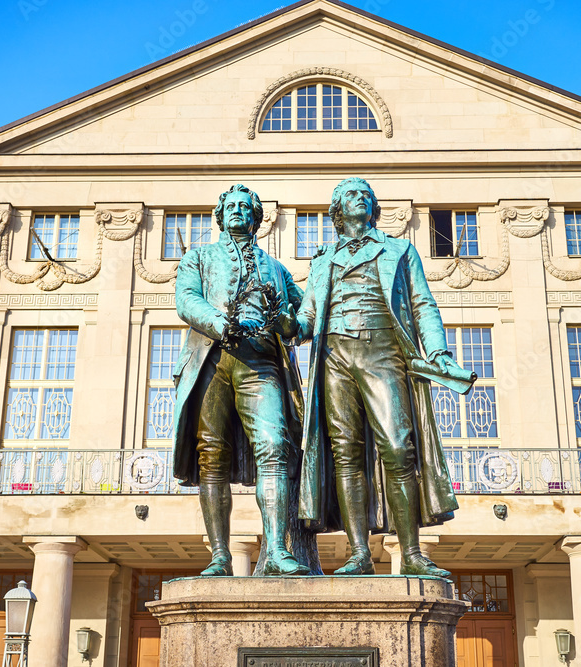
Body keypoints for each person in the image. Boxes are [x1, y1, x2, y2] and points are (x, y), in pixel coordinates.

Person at [295, 177, 461, 577]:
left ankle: (413, 553)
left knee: (398, 447)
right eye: (351, 193)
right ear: (336, 210)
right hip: (334, 355)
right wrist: (285, 322)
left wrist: (436, 351)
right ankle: (358, 553)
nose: (362, 198)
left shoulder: (400, 250)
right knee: (345, 454)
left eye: (367, 194)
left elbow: (423, 305)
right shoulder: (322, 259)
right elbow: (307, 316)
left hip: (383, 350)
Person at [172, 184, 308, 576]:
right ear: (220, 216)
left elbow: (303, 321)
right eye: (230, 206)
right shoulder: (198, 258)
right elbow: (187, 300)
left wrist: (287, 322)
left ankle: (279, 551)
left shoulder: (277, 270)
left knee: (273, 446)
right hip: (212, 359)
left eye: (244, 207)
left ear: (256, 217)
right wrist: (223, 324)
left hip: (261, 363)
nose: (236, 211)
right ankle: (219, 555)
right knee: (212, 456)